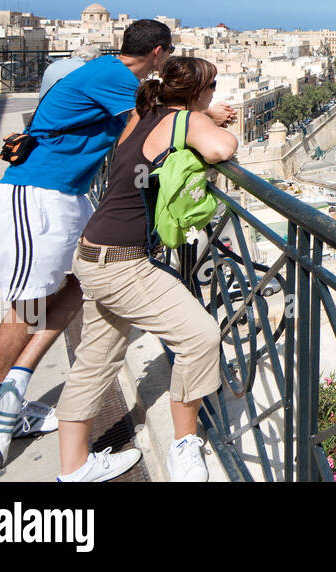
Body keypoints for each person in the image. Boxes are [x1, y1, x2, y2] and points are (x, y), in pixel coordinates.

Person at [0, 20, 234, 471]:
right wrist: (207, 114)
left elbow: (155, 114)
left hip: (69, 198)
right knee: (26, 307)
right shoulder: (116, 78)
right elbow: (166, 116)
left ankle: (21, 383)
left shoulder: (117, 79)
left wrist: (201, 113)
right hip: (38, 194)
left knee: (80, 291)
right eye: (168, 53)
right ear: (157, 52)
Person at [56, 56, 237, 482]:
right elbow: (220, 148)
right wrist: (207, 122)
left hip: (92, 251)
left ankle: (73, 467)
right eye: (211, 88)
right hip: (123, 262)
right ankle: (184, 445)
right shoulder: (187, 122)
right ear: (199, 93)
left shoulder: (143, 112)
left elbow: (176, 126)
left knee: (96, 359)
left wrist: (202, 114)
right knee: (200, 336)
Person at [38, 44, 102, 98]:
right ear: (94, 58)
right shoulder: (85, 68)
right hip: (67, 107)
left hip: (43, 107)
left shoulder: (54, 64)